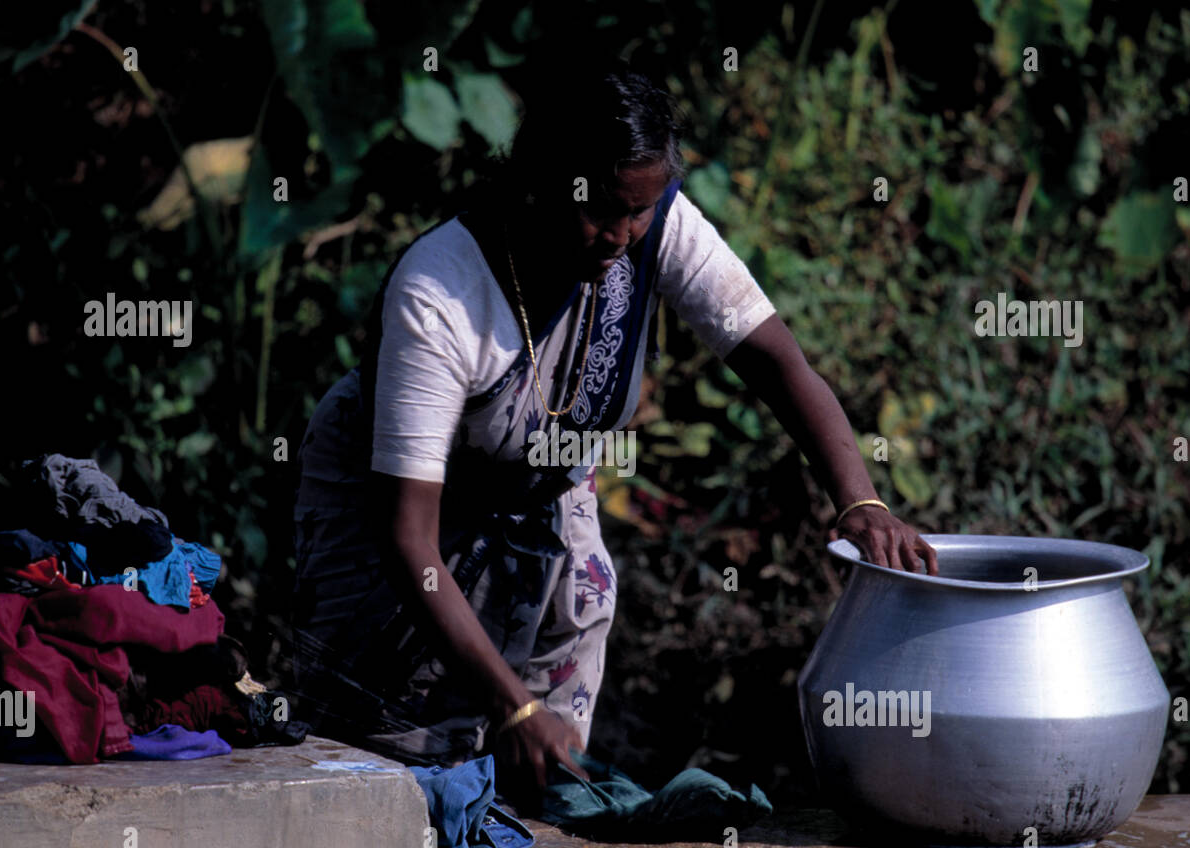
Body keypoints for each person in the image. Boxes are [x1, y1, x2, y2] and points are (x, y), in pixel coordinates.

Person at [289, 64, 937, 802]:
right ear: (541, 179)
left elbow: (778, 363)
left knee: (545, 768)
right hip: (402, 510)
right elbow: (410, 540)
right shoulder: (442, 295)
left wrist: (862, 504)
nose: (620, 236)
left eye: (639, 212)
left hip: (545, 485)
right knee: (392, 763)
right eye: (599, 208)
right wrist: (514, 705)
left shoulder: (652, 225)